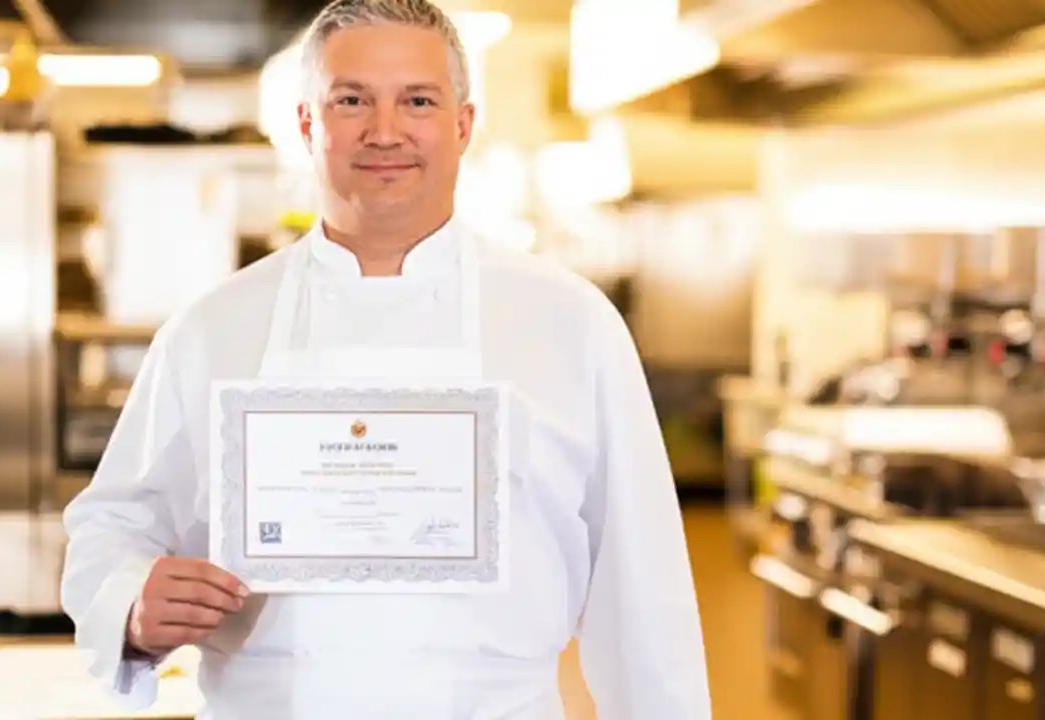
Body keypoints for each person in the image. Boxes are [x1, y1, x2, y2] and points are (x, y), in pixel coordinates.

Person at [59, 0, 711, 717]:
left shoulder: (572, 325)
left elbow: (644, 596)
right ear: (307, 123)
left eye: (418, 101)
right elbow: (113, 525)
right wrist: (129, 602)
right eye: (351, 100)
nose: (385, 131)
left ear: (463, 125)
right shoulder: (211, 330)